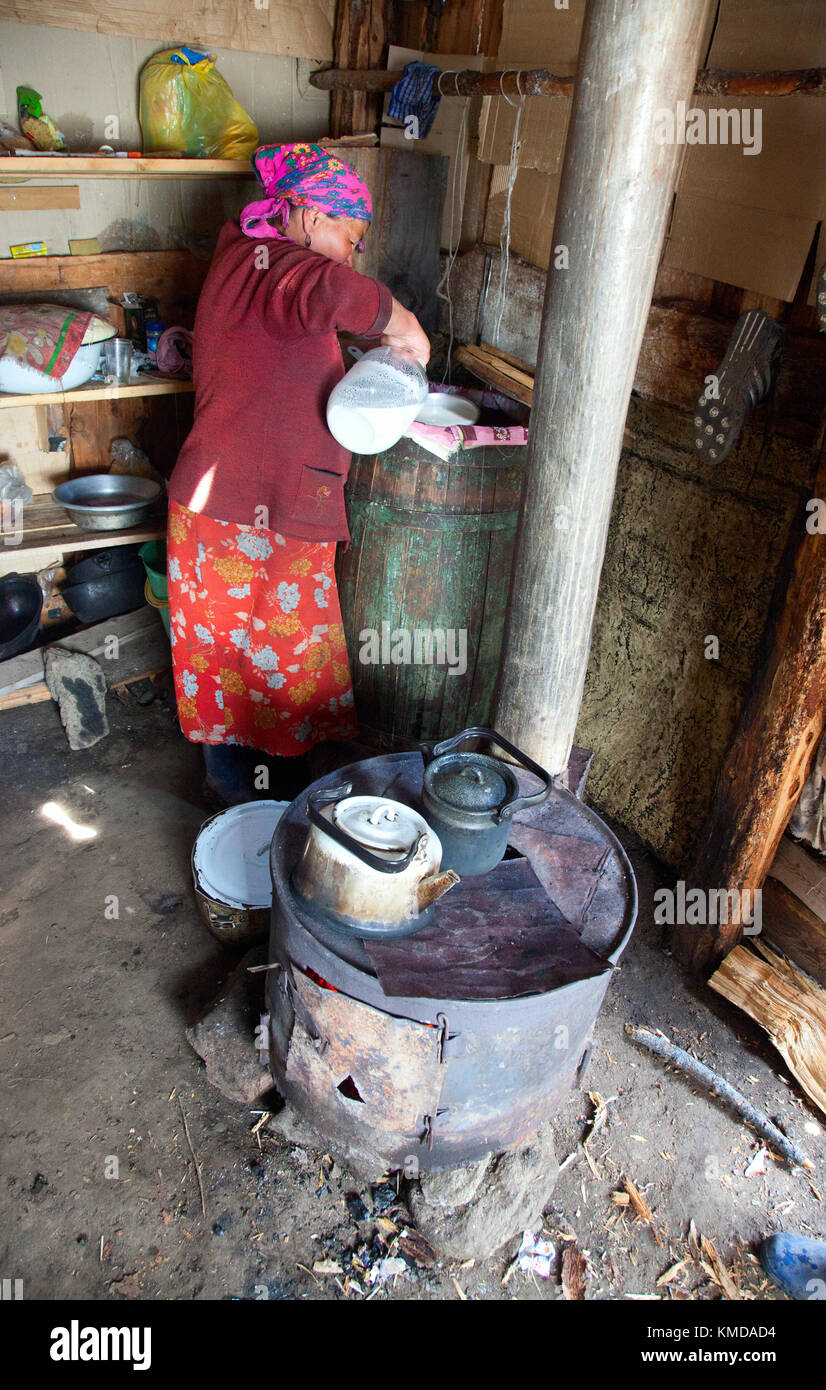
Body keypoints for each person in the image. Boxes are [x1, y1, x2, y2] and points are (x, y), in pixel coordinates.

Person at [166, 143, 429, 804]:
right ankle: (267, 815)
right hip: (261, 509)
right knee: (280, 666)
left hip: (218, 506)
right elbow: (337, 291)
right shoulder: (280, 265)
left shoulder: (243, 257)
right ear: (311, 217)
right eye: (352, 234)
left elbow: (300, 322)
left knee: (226, 657)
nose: (355, 251)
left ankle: (235, 798)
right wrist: (408, 326)